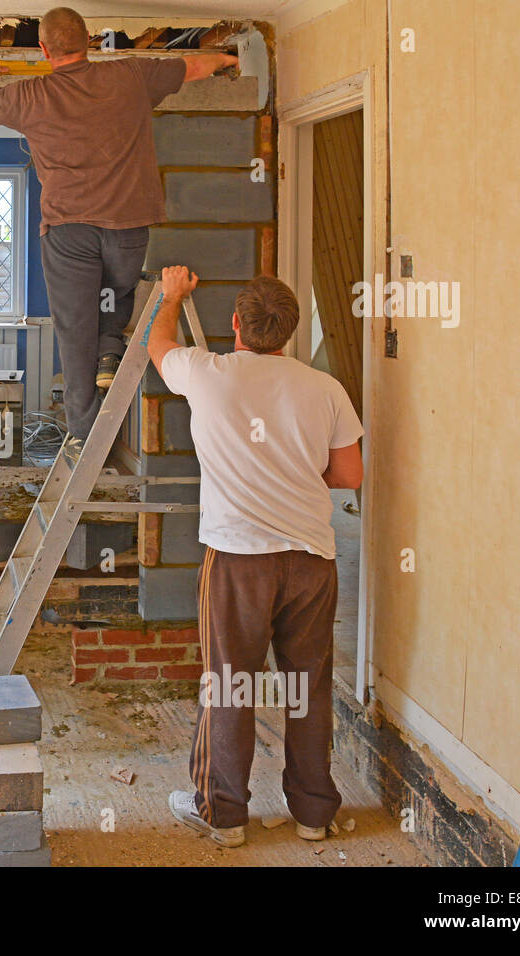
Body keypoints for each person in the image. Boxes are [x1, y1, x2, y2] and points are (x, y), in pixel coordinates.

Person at [145, 266, 364, 848]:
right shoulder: (326, 390)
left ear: (236, 324)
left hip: (239, 560)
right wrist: (292, 469)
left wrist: (172, 296)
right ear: (289, 332)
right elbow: (349, 474)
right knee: (309, 685)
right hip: (312, 558)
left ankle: (225, 816)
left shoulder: (207, 373)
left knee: (230, 684)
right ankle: (315, 814)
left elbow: (159, 345)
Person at [0, 7, 237, 462]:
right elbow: (192, 66)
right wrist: (229, 60)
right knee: (115, 299)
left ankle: (84, 438)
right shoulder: (131, 76)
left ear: (44, 49)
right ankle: (109, 352)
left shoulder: (32, 95)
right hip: (128, 228)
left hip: (69, 233)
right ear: (89, 41)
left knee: (74, 328)